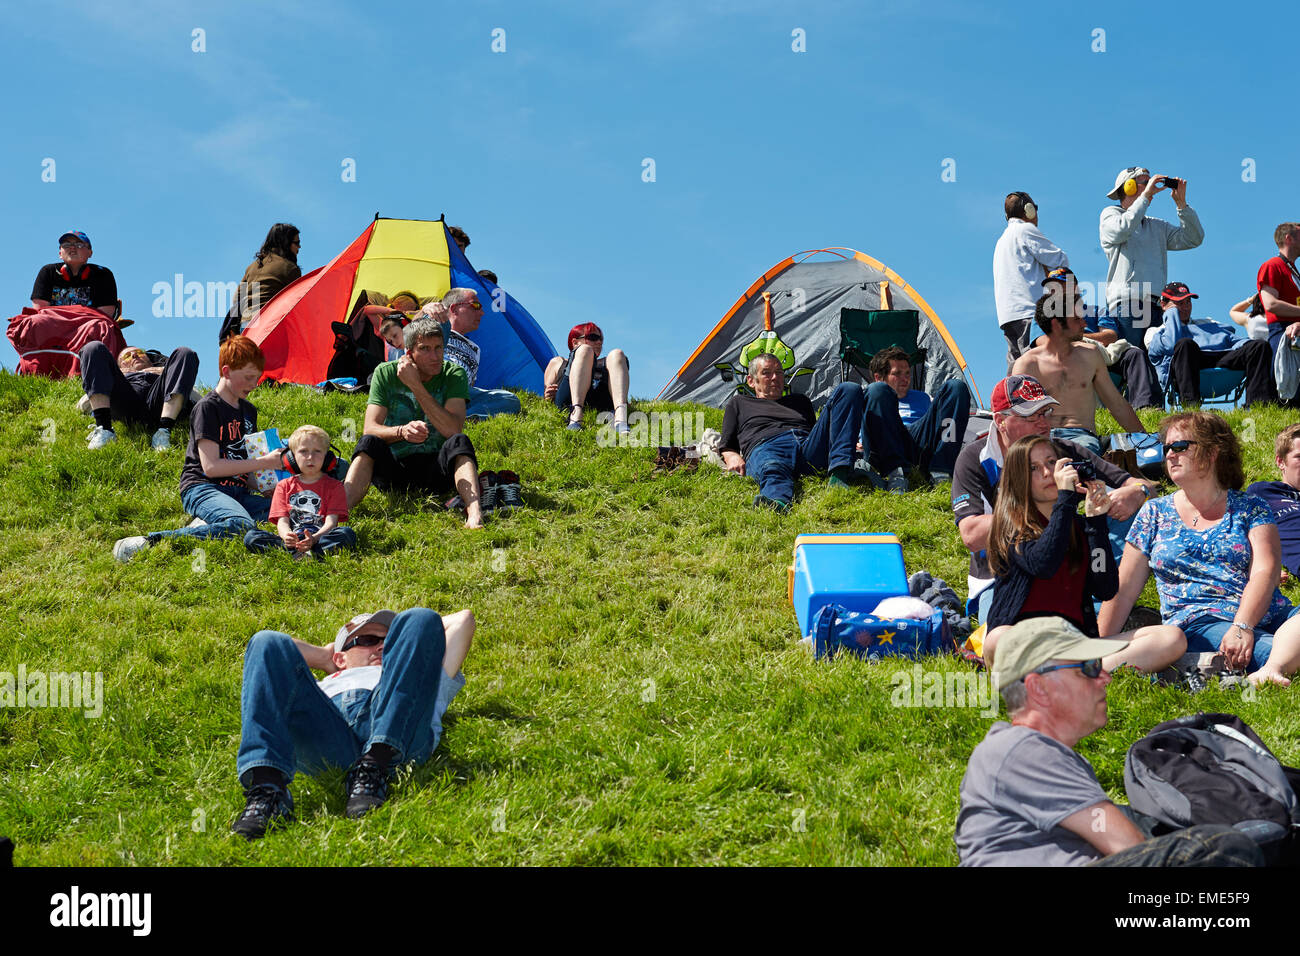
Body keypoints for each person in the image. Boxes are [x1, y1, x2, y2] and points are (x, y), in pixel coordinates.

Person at [955, 616, 1263, 867]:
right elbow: (1127, 846)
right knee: (1222, 848)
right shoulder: (1022, 750)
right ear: (1040, 689)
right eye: (1088, 668)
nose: (1105, 677)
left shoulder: (1027, 751)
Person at [231, 607, 473, 839]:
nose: (382, 646)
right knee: (265, 641)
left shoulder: (418, 675)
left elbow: (462, 621)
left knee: (420, 617)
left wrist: (404, 639)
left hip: (401, 736)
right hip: (331, 740)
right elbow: (273, 651)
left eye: (391, 642)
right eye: (368, 640)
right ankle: (267, 790)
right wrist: (325, 656)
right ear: (340, 658)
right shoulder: (322, 685)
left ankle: (376, 766)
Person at [1099, 411, 1300, 686]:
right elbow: (1122, 590)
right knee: (1267, 649)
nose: (1169, 455)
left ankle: (1274, 664)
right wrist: (1096, 649)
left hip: (1268, 614)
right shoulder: (1154, 513)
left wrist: (1243, 625)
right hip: (1201, 622)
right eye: (1166, 447)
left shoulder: (1251, 507)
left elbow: (1265, 571)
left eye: (1180, 446)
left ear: (1213, 452)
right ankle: (1273, 664)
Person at [951, 375, 1156, 621]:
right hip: (1002, 574)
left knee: (1135, 509)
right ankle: (1108, 619)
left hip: (1069, 565)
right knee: (1003, 637)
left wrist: (1137, 493)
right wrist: (1054, 503)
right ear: (1000, 421)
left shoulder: (1064, 449)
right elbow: (972, 535)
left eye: (1045, 412)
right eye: (1030, 415)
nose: (1043, 424)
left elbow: (1145, 486)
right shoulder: (974, 458)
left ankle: (1112, 607)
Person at [982, 435, 1186, 672]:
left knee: (1171, 638)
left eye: (1052, 463)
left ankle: (1077, 670)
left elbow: (1105, 588)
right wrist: (1066, 499)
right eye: (1034, 468)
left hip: (1075, 645)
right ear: (1019, 478)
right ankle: (1078, 671)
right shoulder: (1011, 527)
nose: (1048, 473)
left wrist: (1096, 523)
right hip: (1025, 640)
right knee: (1000, 638)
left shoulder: (1077, 525)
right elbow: (1043, 563)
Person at [112, 336, 283, 562]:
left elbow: (242, 461)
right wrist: (266, 462)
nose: (253, 384)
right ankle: (150, 541)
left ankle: (213, 522)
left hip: (239, 492)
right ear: (227, 371)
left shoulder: (249, 411)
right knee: (241, 525)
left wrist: (263, 486)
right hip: (204, 488)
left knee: (288, 508)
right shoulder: (207, 407)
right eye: (249, 377)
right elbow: (211, 467)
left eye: (257, 378)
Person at [342, 317, 485, 529]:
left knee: (459, 441)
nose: (435, 356)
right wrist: (402, 431)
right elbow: (369, 428)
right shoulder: (385, 373)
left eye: (438, 348)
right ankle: (339, 511)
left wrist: (415, 385)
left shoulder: (453, 374)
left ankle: (475, 514)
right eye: (425, 349)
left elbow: (452, 429)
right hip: (395, 472)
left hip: (438, 471)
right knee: (368, 443)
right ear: (409, 353)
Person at [720, 352, 867, 511]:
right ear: (751, 380)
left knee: (849, 388)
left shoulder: (800, 401)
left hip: (806, 446)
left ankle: (839, 474)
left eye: (779, 373)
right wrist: (731, 456)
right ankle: (777, 502)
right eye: (767, 373)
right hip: (767, 446)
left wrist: (844, 440)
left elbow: (818, 433)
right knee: (772, 466)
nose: (775, 377)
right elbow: (727, 443)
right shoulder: (739, 403)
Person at [1012, 289, 1144, 453]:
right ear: (1056, 325)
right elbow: (1016, 418)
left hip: (1082, 437)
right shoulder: (1027, 364)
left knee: (1081, 456)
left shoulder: (1090, 355)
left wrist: (1145, 438)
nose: (1084, 324)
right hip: (1040, 438)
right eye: (1076, 319)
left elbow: (1116, 404)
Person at [1099, 167, 1204, 345]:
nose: (1151, 188)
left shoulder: (1157, 226)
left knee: (1156, 362)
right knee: (1133, 360)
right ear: (1129, 187)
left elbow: (1193, 239)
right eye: (1145, 183)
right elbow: (1122, 229)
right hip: (1129, 303)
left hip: (1156, 306)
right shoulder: (1110, 215)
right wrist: (1145, 197)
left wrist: (1182, 206)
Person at [1040, 267, 1163, 410]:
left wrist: (1077, 337)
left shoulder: (1097, 310)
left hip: (1101, 355)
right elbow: (1041, 341)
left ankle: (1143, 406)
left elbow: (1110, 336)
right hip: (1065, 357)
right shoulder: (1045, 314)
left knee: (1134, 354)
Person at [1146, 281, 1275, 407]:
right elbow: (1170, 345)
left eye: (1188, 302)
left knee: (1259, 346)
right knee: (1185, 344)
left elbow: (1234, 340)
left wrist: (1250, 347)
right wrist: (1171, 315)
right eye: (1179, 303)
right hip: (1190, 363)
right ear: (1164, 305)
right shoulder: (1155, 332)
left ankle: (1258, 405)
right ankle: (1191, 407)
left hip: (1222, 357)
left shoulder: (1207, 322)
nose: (1186, 307)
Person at [859, 345, 970, 489]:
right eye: (897, 373)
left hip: (917, 443)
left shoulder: (923, 397)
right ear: (878, 377)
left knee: (956, 387)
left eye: (907, 373)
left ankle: (942, 470)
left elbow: (936, 425)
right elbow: (861, 427)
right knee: (876, 390)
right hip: (886, 443)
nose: (905, 378)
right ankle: (895, 472)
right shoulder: (871, 397)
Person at [244, 425, 357, 559]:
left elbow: (331, 523)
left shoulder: (335, 486)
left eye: (317, 451)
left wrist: (313, 539)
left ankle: (305, 553)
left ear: (328, 457)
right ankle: (302, 553)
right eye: (303, 451)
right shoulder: (283, 486)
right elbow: (283, 521)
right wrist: (287, 536)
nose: (310, 457)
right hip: (293, 540)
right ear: (291, 458)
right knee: (251, 537)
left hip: (320, 538)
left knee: (346, 533)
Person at [992, 191, 1070, 373]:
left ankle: (1013, 402)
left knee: (1016, 369)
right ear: (1029, 210)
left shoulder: (1002, 240)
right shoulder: (1025, 230)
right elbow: (1060, 260)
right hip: (1029, 311)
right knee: (1037, 366)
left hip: (1008, 315)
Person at [79, 343, 199, 451]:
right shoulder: (119, 376)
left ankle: (164, 431)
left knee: (185, 352)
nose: (134, 356)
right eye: (127, 356)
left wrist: (164, 371)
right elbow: (86, 399)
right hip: (126, 400)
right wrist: (116, 376)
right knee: (93, 347)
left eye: (139, 352)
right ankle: (104, 429)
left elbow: (191, 393)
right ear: (120, 366)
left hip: (159, 401)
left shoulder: (163, 371)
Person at [439, 288, 522, 418]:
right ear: (454, 309)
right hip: (439, 384)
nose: (482, 313)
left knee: (510, 399)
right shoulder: (436, 329)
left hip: (463, 394)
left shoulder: (475, 349)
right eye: (475, 306)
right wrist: (425, 310)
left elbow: (470, 384)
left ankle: (465, 418)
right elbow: (410, 340)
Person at [543, 322, 630, 433]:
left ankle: (620, 416)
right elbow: (547, 393)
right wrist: (548, 395)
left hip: (601, 401)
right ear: (575, 342)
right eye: (593, 337)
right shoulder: (558, 362)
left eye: (601, 339)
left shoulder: (608, 362)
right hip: (568, 400)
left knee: (617, 353)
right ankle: (576, 415)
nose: (599, 342)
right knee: (585, 350)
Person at [230, 223, 301, 337]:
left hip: (246, 326)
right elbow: (298, 304)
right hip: (270, 323)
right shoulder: (290, 269)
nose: (299, 247)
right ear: (286, 243)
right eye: (297, 243)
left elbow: (237, 298)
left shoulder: (252, 267)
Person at [1248, 424, 1300, 577]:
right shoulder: (1265, 492)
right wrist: (1260, 565)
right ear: (1280, 462)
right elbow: (1242, 529)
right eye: (1299, 457)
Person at [31, 230, 118, 319]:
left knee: (99, 325)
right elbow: (39, 311)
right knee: (34, 321)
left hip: (88, 325)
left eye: (79, 244)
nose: (72, 248)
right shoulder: (48, 272)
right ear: (60, 253)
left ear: (90, 253)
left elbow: (105, 316)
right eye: (66, 245)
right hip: (53, 324)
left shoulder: (103, 274)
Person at [1258, 222, 1300, 360]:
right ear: (1289, 238)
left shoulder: (1292, 270)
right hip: (1284, 334)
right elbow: (1271, 304)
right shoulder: (1273, 265)